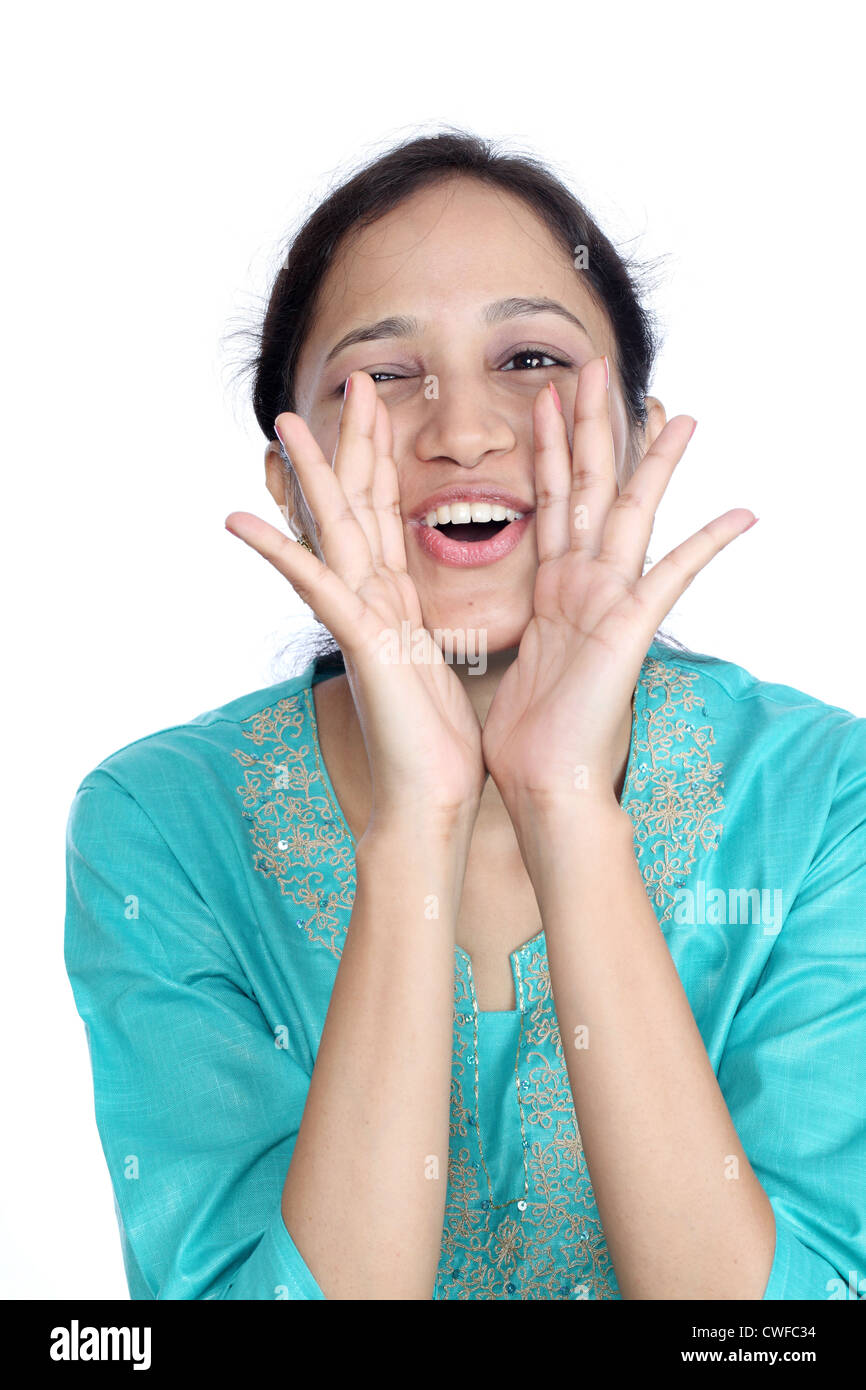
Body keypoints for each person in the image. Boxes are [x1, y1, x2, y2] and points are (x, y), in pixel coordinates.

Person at [65, 130, 866, 1301]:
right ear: (290, 480)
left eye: (530, 358)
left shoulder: (820, 798)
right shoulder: (159, 825)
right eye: (382, 376)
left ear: (634, 437)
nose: (462, 429)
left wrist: (562, 803)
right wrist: (417, 817)